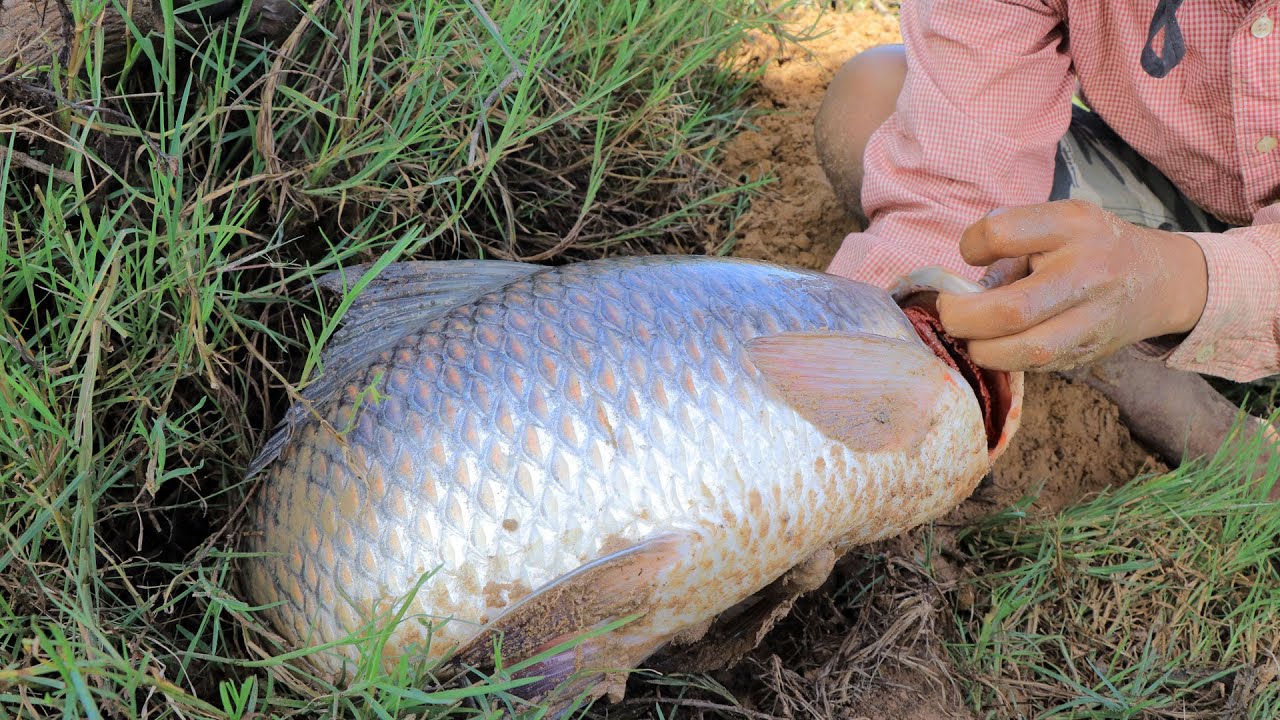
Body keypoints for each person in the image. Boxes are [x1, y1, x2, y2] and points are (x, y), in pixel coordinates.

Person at [813, 1, 1279, 386]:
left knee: (1117, 298)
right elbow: (954, 189)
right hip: (1190, 190)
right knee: (874, 95)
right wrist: (853, 353)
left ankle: (1196, 418)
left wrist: (1172, 282)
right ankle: (1111, 351)